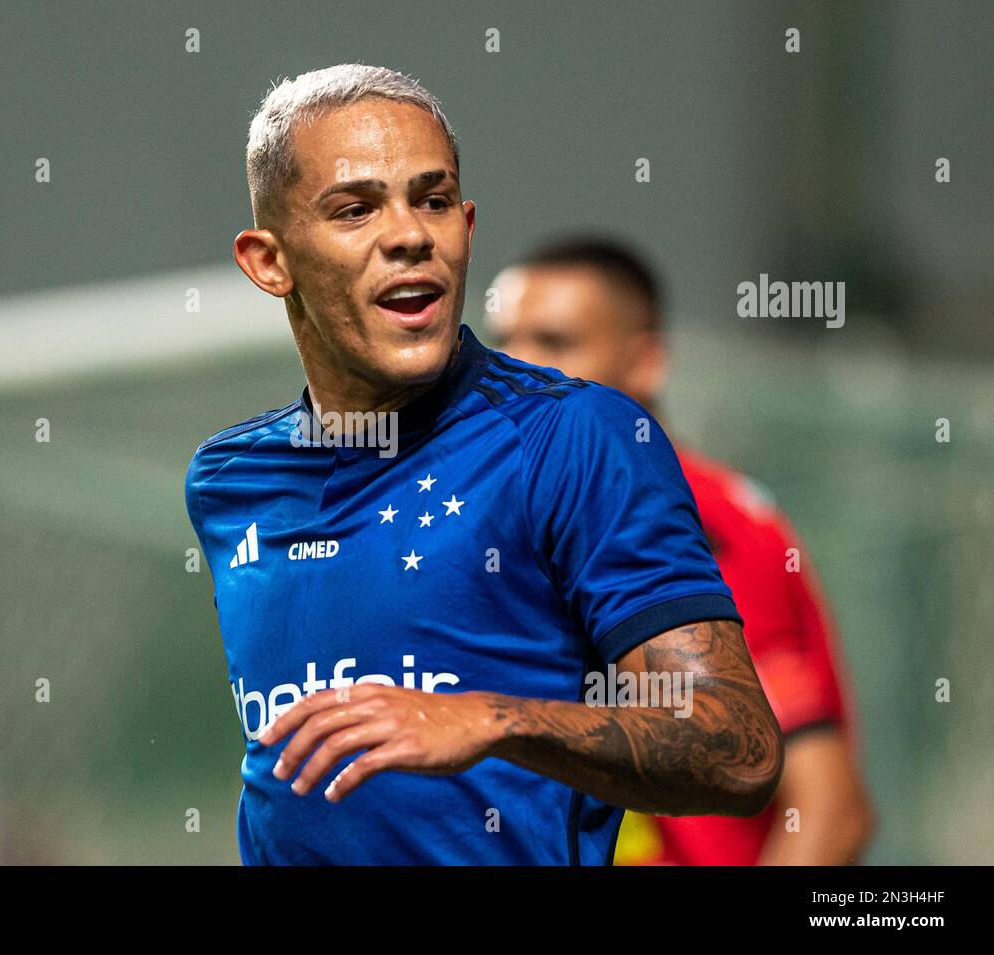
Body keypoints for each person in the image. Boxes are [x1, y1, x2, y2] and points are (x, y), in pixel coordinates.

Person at [184, 64, 782, 865]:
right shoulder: (227, 481)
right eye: (356, 208)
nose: (409, 233)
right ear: (268, 260)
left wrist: (491, 717)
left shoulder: (575, 437)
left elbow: (736, 746)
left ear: (466, 223)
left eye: (432, 200)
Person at [488, 236, 874, 864]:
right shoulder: (527, 512)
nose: (520, 369)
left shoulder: (703, 519)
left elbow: (831, 811)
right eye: (505, 341)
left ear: (646, 361)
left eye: (555, 343)